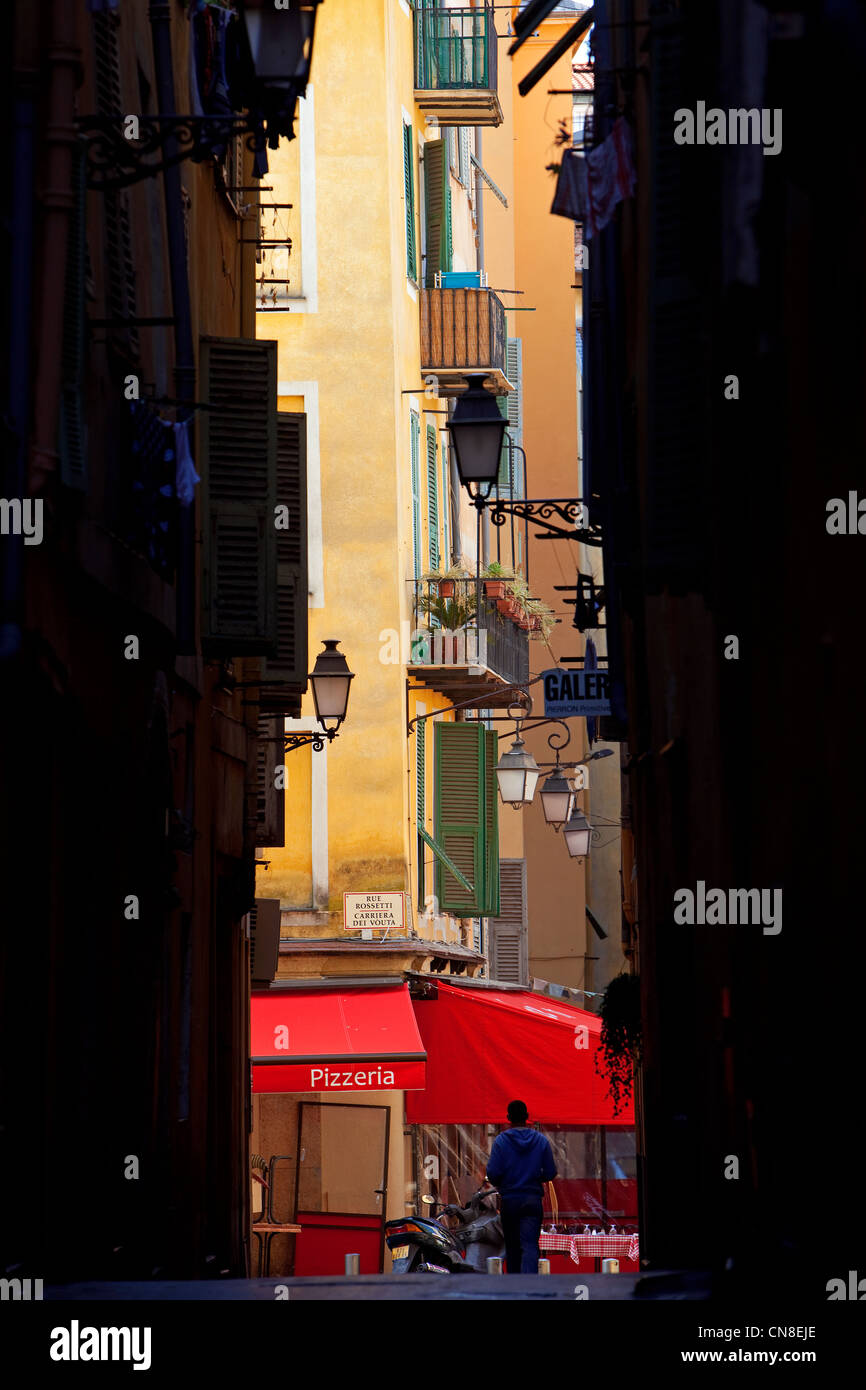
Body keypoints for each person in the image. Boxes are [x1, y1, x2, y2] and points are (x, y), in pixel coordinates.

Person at [485, 1099, 557, 1274]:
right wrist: (535, 1177)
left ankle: (514, 1286)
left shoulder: (501, 1141)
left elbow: (493, 1174)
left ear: (508, 1117)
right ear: (527, 1117)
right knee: (530, 1245)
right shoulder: (541, 1141)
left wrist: (506, 1182)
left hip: (510, 1201)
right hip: (532, 1200)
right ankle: (530, 1284)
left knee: (512, 1246)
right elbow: (551, 1172)